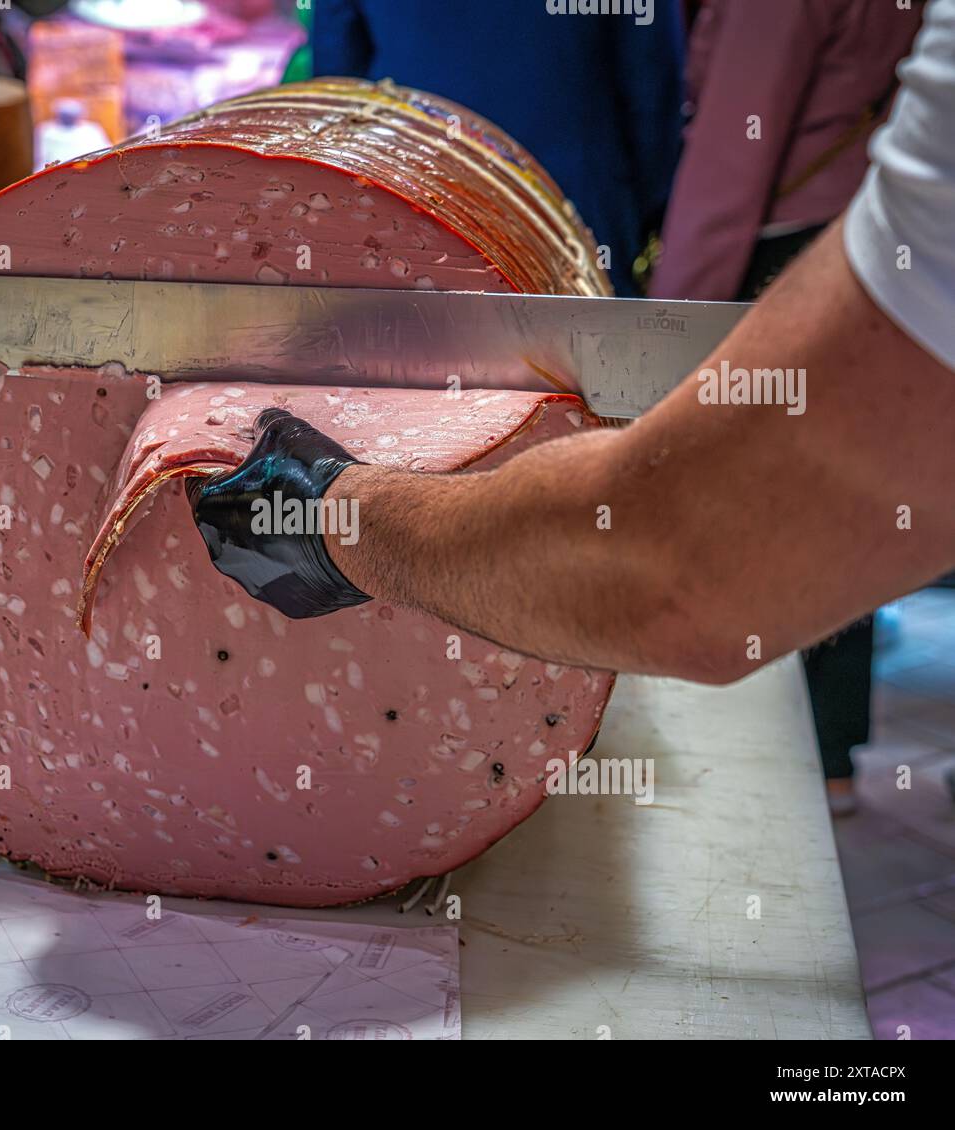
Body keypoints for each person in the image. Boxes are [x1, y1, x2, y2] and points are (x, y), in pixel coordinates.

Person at [188, 1, 955, 714]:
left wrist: (329, 518)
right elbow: (654, 107)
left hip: (421, 211)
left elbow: (677, 571)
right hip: (584, 210)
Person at [647, 0, 926, 815]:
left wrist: (670, 325)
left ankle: (762, 763)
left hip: (776, 255)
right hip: (870, 238)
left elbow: (734, 156)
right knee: (852, 502)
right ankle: (833, 754)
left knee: (754, 514)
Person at [311, 0, 685, 296]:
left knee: (409, 371)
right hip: (572, 203)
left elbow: (338, 78)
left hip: (410, 194)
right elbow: (653, 85)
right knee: (584, 376)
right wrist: (652, 210)